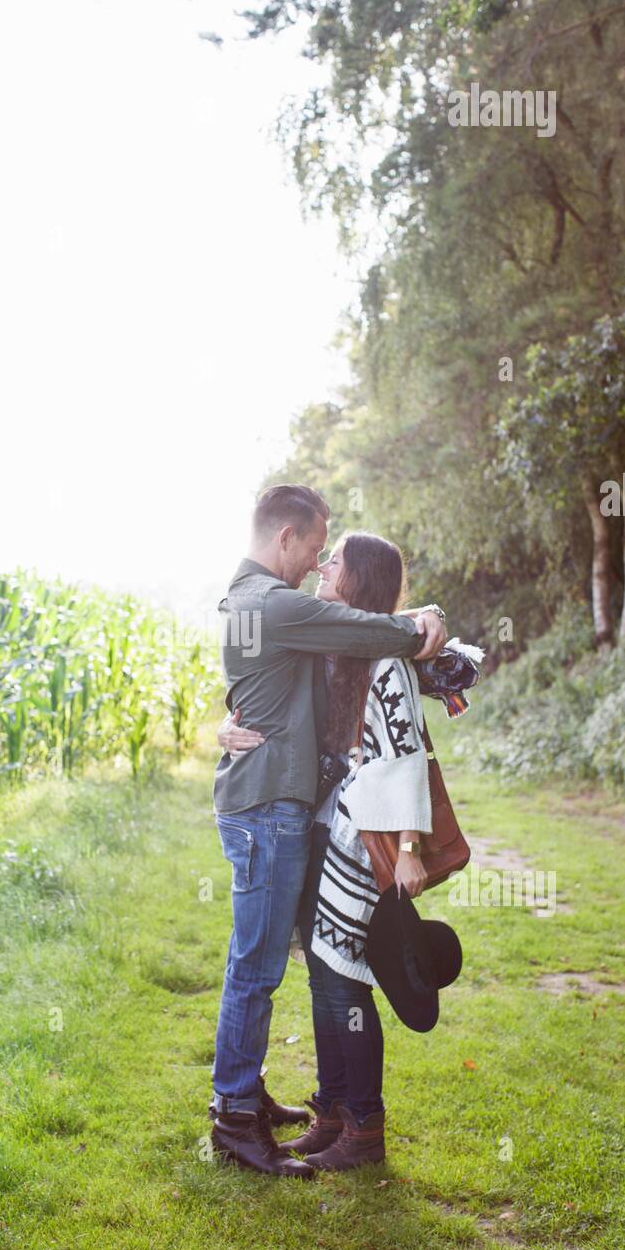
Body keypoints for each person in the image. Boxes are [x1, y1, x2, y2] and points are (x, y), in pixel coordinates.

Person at [210, 487, 446, 1178]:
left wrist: (404, 846)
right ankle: (234, 1113)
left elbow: (282, 683)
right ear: (287, 536)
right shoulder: (275, 604)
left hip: (292, 815)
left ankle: (258, 1100)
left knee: (302, 969)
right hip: (270, 811)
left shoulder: (250, 600)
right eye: (316, 547)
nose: (318, 563)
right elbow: (362, 628)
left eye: (330, 557)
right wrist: (420, 621)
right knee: (258, 968)